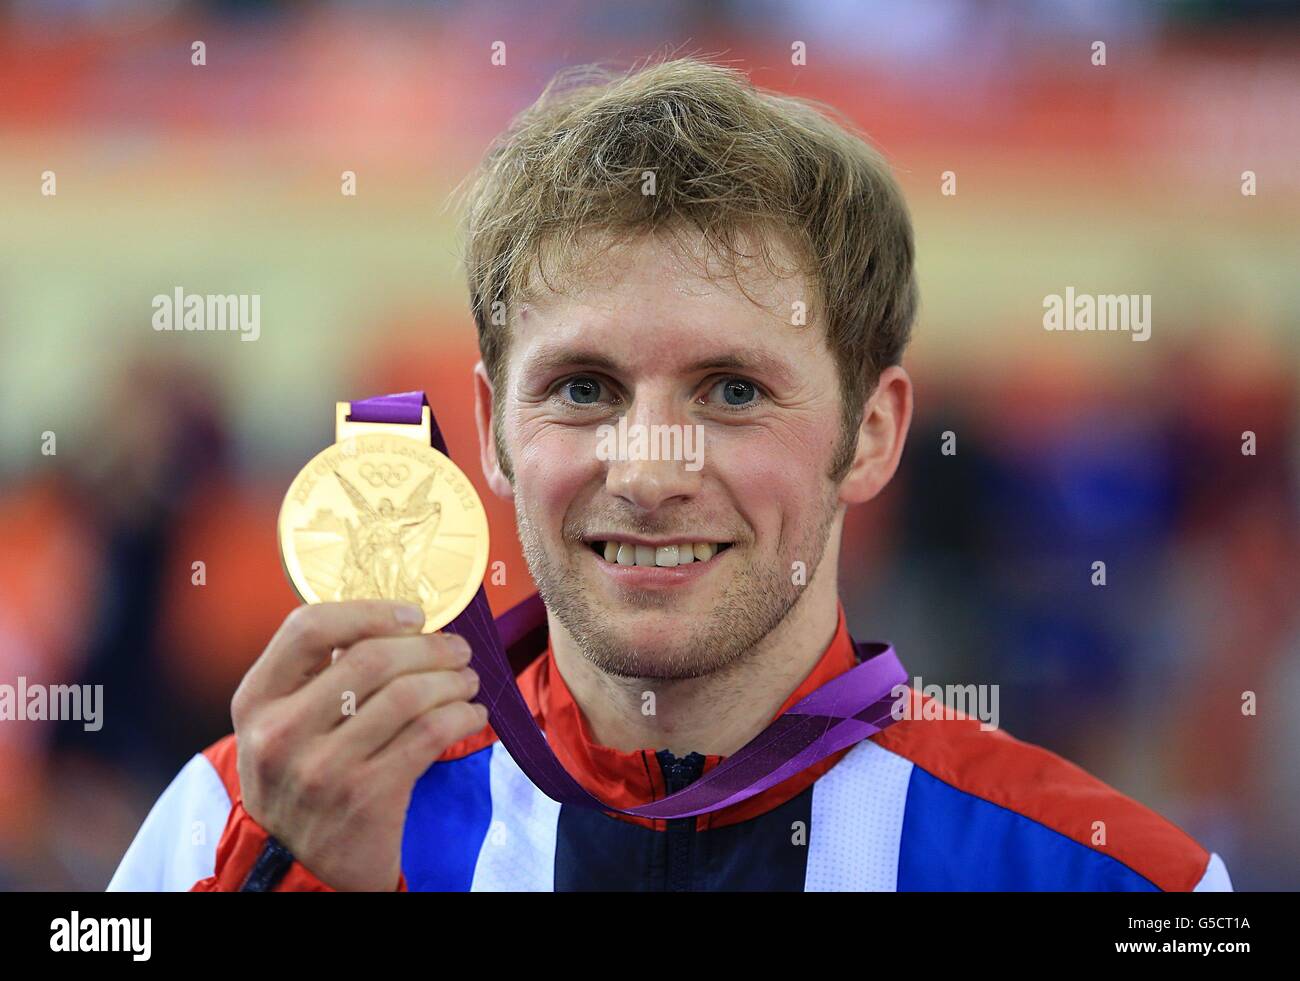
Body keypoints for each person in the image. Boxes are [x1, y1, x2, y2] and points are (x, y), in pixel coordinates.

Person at [108, 57, 1231, 892]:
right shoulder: (235, 822)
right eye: (585, 388)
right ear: (493, 433)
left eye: (733, 390)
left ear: (876, 433)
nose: (647, 469)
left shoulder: (1123, 883)